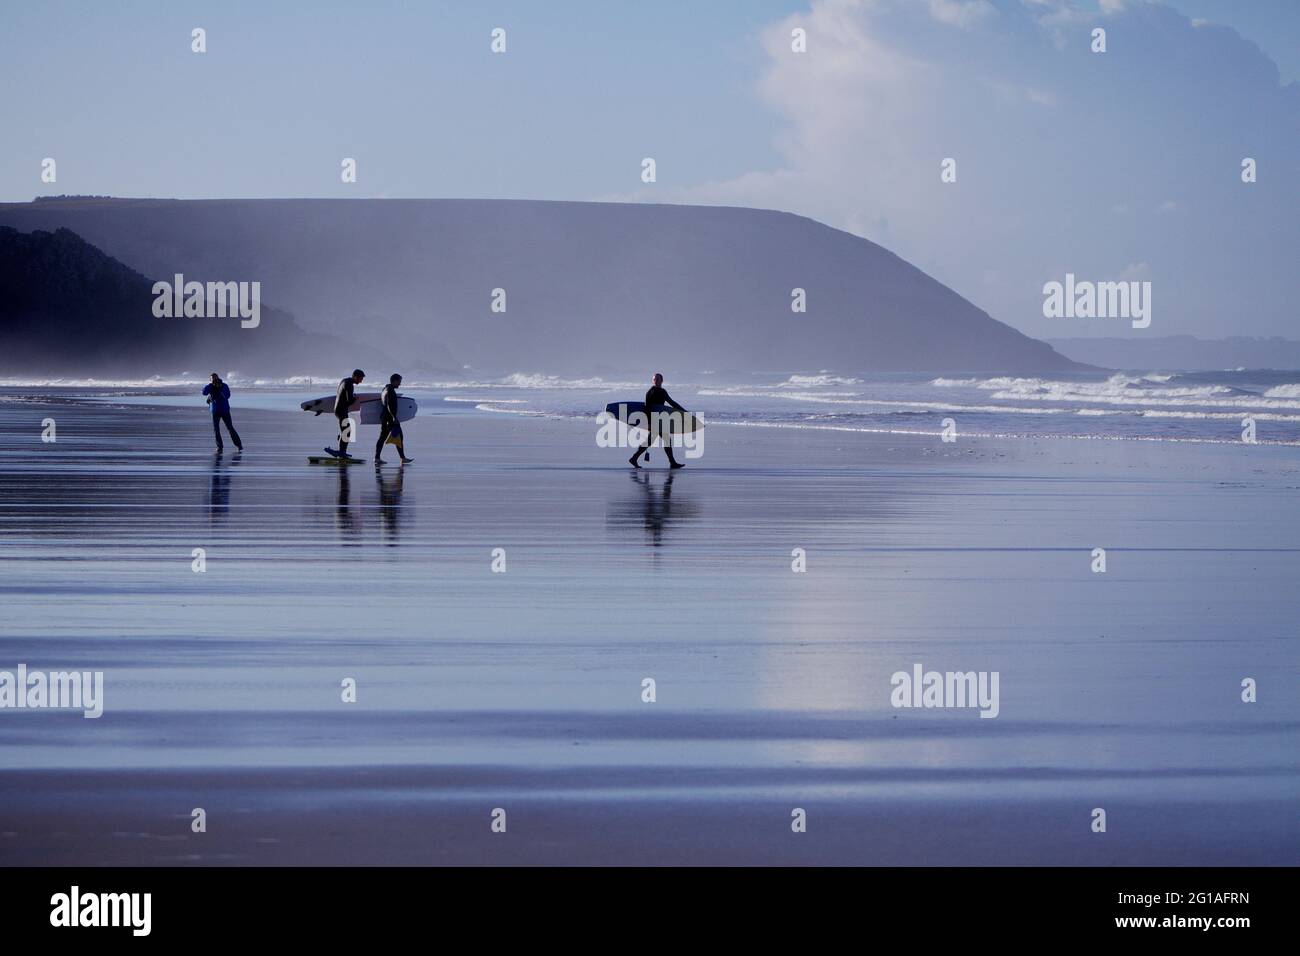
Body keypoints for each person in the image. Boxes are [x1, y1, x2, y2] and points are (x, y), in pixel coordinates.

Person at [629, 372, 686, 469]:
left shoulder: (663, 392)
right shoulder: (650, 392)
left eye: (657, 379)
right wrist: (649, 423)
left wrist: (683, 411)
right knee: (665, 439)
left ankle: (634, 458)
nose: (656, 381)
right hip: (654, 420)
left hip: (660, 419)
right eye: (654, 379)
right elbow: (647, 408)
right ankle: (672, 463)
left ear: (662, 381)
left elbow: (671, 402)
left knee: (652, 440)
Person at [375, 374, 414, 464]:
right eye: (399, 382)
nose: (400, 384)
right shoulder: (390, 391)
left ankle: (377, 458)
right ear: (394, 381)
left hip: (384, 417)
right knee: (399, 436)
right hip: (390, 418)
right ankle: (402, 458)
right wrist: (393, 417)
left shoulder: (384, 389)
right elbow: (389, 405)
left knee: (383, 437)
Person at [327, 369, 365, 458]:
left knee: (345, 431)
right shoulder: (349, 384)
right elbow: (349, 401)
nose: (361, 381)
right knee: (347, 432)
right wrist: (355, 398)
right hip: (341, 410)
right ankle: (341, 452)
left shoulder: (344, 381)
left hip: (338, 409)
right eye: (361, 379)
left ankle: (341, 451)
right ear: (355, 376)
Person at [202, 372, 242, 452]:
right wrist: (210, 385)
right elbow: (204, 392)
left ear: (217, 378)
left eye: (214, 378)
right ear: (211, 380)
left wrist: (220, 389)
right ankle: (220, 447)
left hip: (224, 410)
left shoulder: (224, 385)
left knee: (230, 428)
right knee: (216, 429)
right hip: (216, 411)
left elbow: (227, 396)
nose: (214, 380)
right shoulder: (210, 387)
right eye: (212, 379)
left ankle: (238, 445)